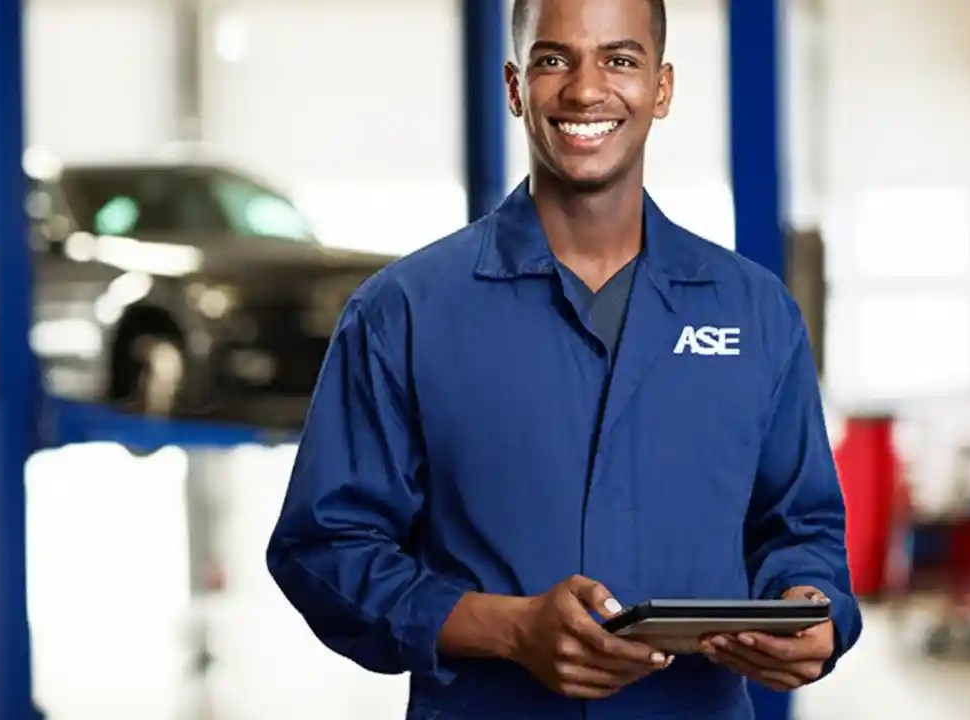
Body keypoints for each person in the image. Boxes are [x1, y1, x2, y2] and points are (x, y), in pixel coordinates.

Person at [265, 0, 862, 716]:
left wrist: (811, 609)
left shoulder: (753, 312)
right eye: (553, 60)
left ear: (662, 88)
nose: (586, 90)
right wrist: (509, 630)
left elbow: (800, 527)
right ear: (515, 87)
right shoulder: (404, 312)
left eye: (620, 59)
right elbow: (324, 547)